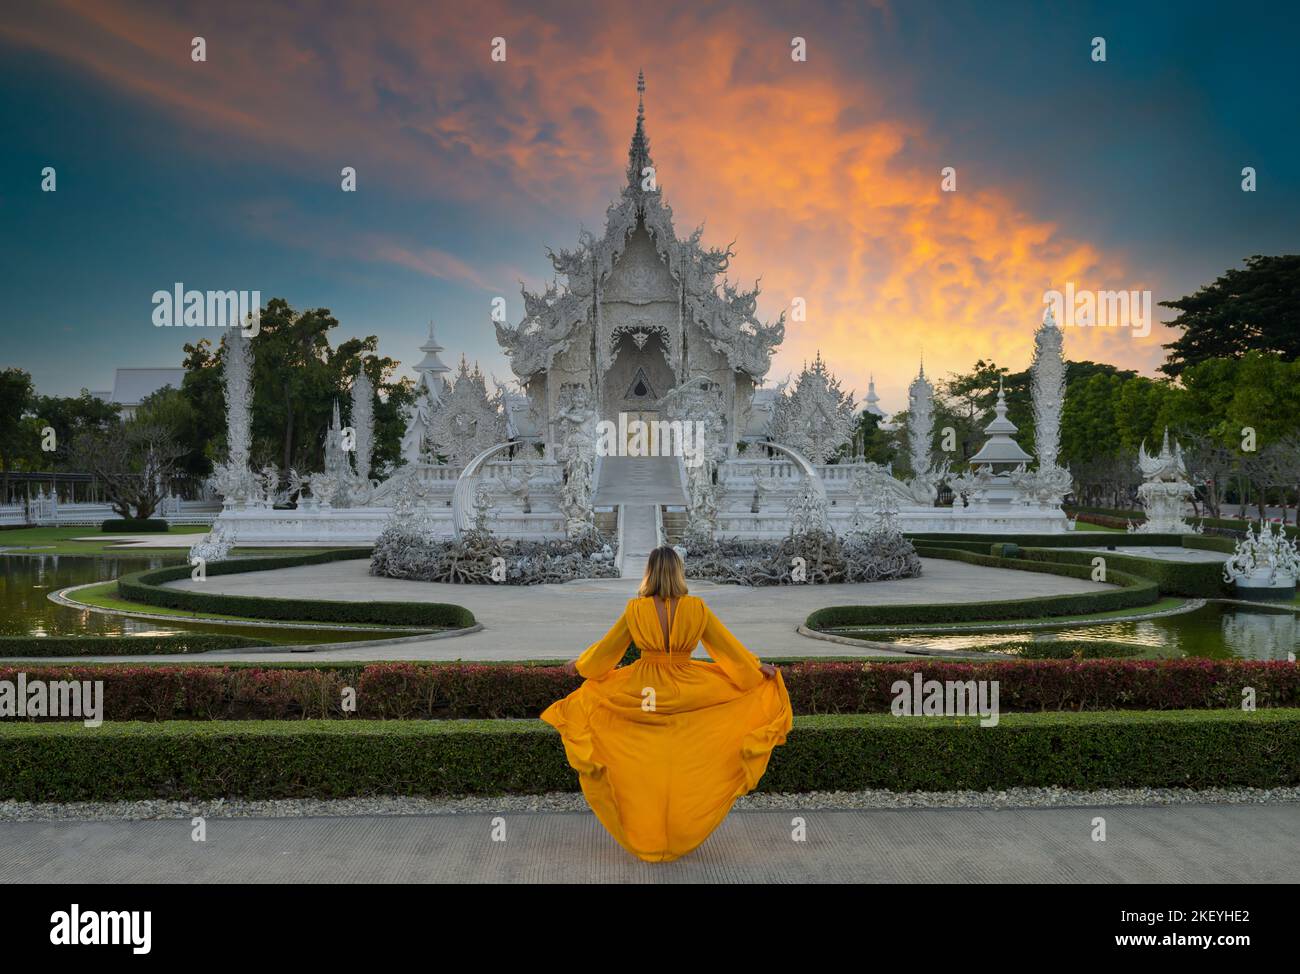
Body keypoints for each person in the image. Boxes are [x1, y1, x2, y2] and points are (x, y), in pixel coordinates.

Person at [540, 545, 793, 862]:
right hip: (688, 687)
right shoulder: (697, 608)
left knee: (639, 753)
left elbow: (608, 652)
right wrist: (757, 668)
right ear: (678, 572)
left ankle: (644, 823)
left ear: (650, 572)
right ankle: (680, 826)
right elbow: (727, 650)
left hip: (644, 687)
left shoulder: (637, 609)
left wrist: (580, 665)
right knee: (685, 756)